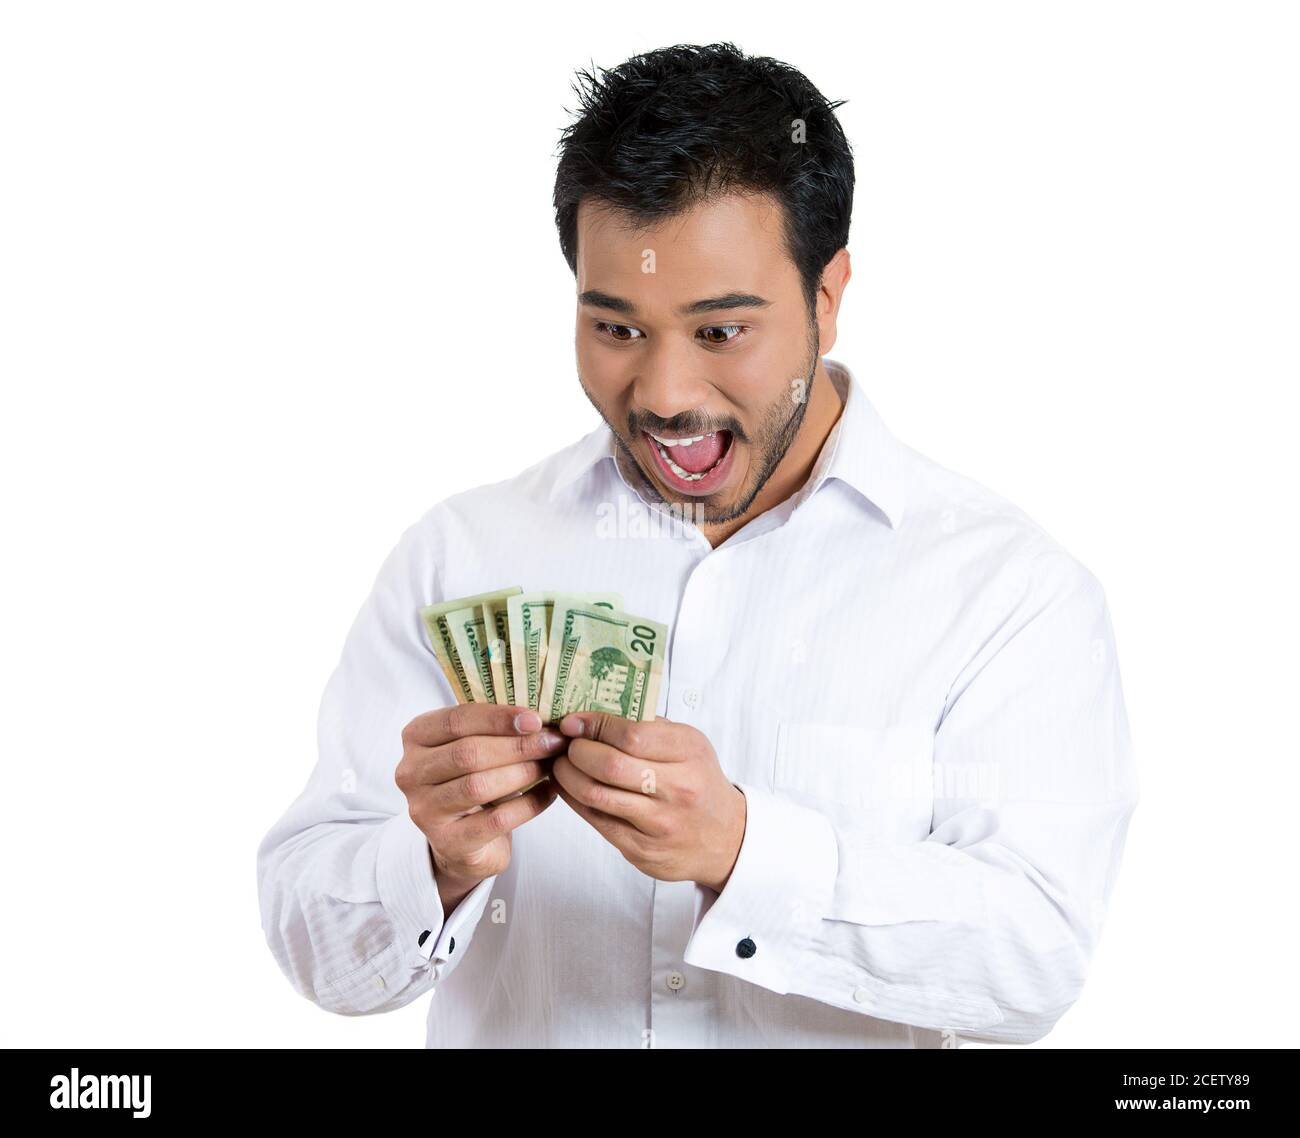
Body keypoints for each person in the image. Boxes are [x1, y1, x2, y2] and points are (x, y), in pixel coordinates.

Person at [256, 42, 1138, 1048]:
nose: (666, 395)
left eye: (720, 332)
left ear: (827, 295)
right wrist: (432, 862)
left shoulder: (1005, 592)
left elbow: (1033, 962)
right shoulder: (463, 552)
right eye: (617, 329)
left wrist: (741, 850)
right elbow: (314, 950)